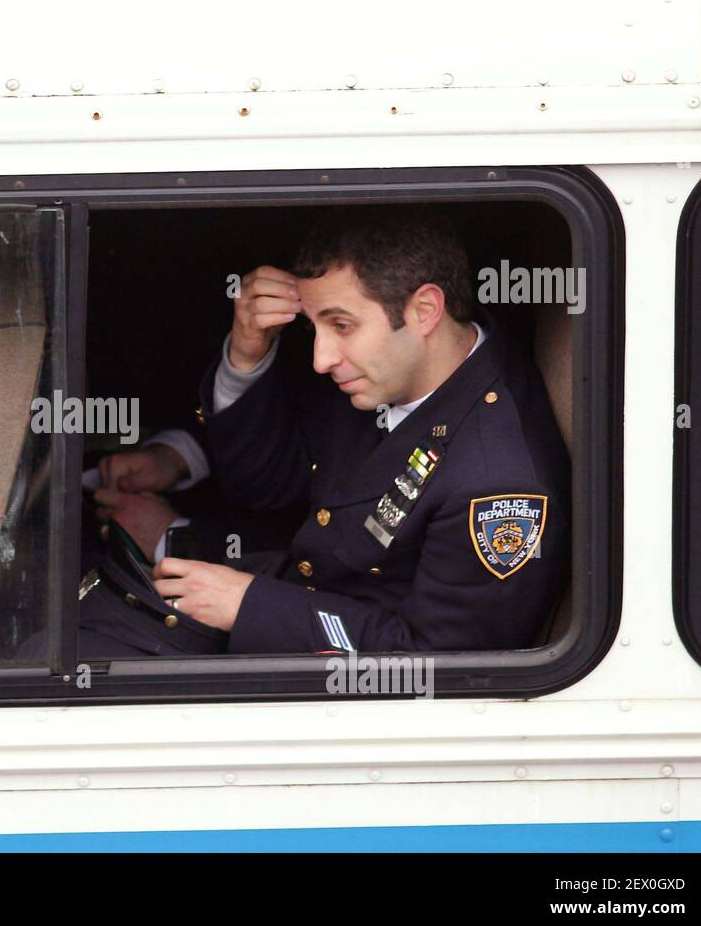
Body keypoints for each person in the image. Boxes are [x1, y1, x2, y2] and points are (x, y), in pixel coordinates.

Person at [74, 208, 570, 657]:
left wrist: (249, 605)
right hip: (293, 592)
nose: (320, 358)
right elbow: (270, 489)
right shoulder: (412, 362)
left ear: (424, 310)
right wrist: (248, 356)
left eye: (341, 326)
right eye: (313, 328)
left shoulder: (497, 485)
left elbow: (441, 663)